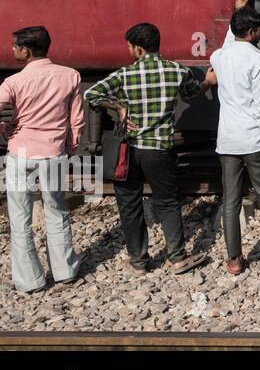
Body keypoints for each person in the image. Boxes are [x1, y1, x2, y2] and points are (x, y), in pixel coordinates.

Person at [84, 22, 209, 275]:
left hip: (129, 150)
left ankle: (139, 262)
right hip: (159, 150)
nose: (129, 51)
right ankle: (177, 258)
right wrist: (208, 81)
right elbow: (193, 93)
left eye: (130, 47)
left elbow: (91, 95)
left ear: (139, 49)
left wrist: (118, 107)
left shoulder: (125, 75)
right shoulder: (176, 70)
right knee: (168, 202)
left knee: (130, 204)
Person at [0, 27, 84, 293]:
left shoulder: (13, 82)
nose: (12, 50)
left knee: (20, 217)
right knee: (56, 212)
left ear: (26, 50)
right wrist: (69, 148)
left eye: (15, 46)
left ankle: (30, 281)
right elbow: (77, 120)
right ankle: (65, 272)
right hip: (53, 154)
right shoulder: (70, 75)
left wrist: (6, 128)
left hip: (20, 153)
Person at [206, 1, 260, 275]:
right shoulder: (258, 61)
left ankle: (234, 260)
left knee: (231, 200)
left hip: (227, 140)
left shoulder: (219, 57)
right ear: (251, 32)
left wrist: (234, 15)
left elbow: (229, 45)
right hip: (253, 139)